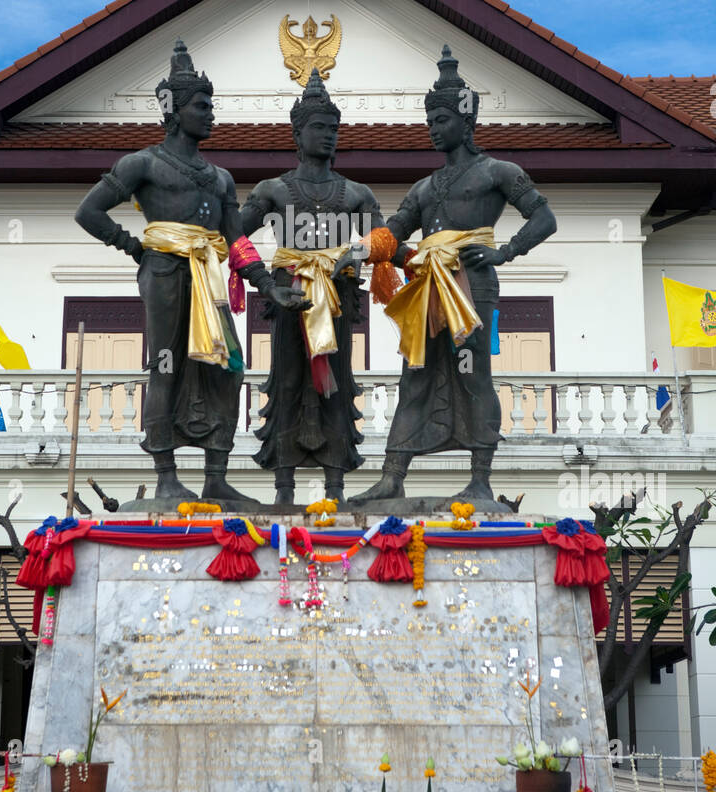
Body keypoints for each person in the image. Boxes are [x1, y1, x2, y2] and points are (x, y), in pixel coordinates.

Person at [74, 40, 308, 504]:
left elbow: (235, 238)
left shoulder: (220, 177)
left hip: (207, 274)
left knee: (228, 365)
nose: (210, 115)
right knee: (167, 364)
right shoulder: (143, 163)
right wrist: (135, 247)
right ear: (174, 110)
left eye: (211, 106)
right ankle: (165, 475)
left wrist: (267, 287)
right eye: (201, 106)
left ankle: (215, 474)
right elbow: (89, 211)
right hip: (163, 269)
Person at [334, 45, 557, 508]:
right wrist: (357, 251)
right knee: (414, 374)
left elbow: (543, 218)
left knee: (473, 373)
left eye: (440, 121)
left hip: (471, 282)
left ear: (465, 118)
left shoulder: (499, 172)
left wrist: (506, 252)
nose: (433, 130)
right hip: (428, 288)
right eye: (429, 121)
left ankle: (479, 479)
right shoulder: (424, 187)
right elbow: (393, 234)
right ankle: (393, 476)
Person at [240, 70, 385, 503]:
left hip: (338, 296)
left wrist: (357, 253)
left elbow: (384, 239)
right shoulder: (274, 190)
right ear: (298, 133)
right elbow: (234, 235)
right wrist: (266, 285)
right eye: (319, 128)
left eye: (334, 129)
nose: (328, 136)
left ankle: (336, 486)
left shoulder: (356, 193)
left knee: (337, 381)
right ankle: (283, 488)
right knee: (286, 380)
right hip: (289, 297)